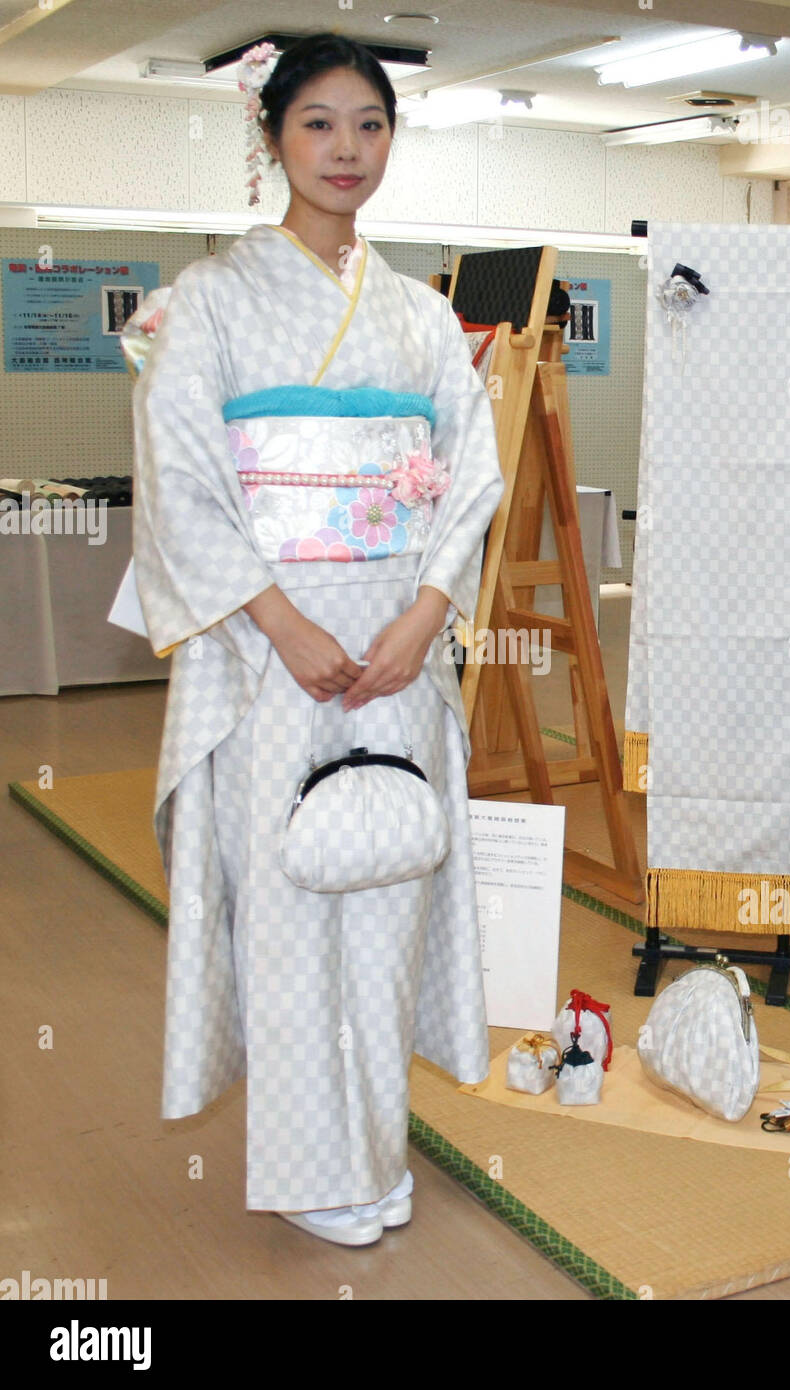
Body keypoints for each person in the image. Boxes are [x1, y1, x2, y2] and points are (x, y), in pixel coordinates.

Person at [129, 33, 504, 1246]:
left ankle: (371, 1141)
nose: (347, 150)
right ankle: (309, 1166)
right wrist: (281, 622)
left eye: (370, 125)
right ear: (273, 138)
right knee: (289, 902)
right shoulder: (215, 301)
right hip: (266, 647)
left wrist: (426, 614)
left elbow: (473, 477)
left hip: (395, 642)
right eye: (319, 124)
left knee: (387, 874)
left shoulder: (421, 315)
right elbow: (181, 477)